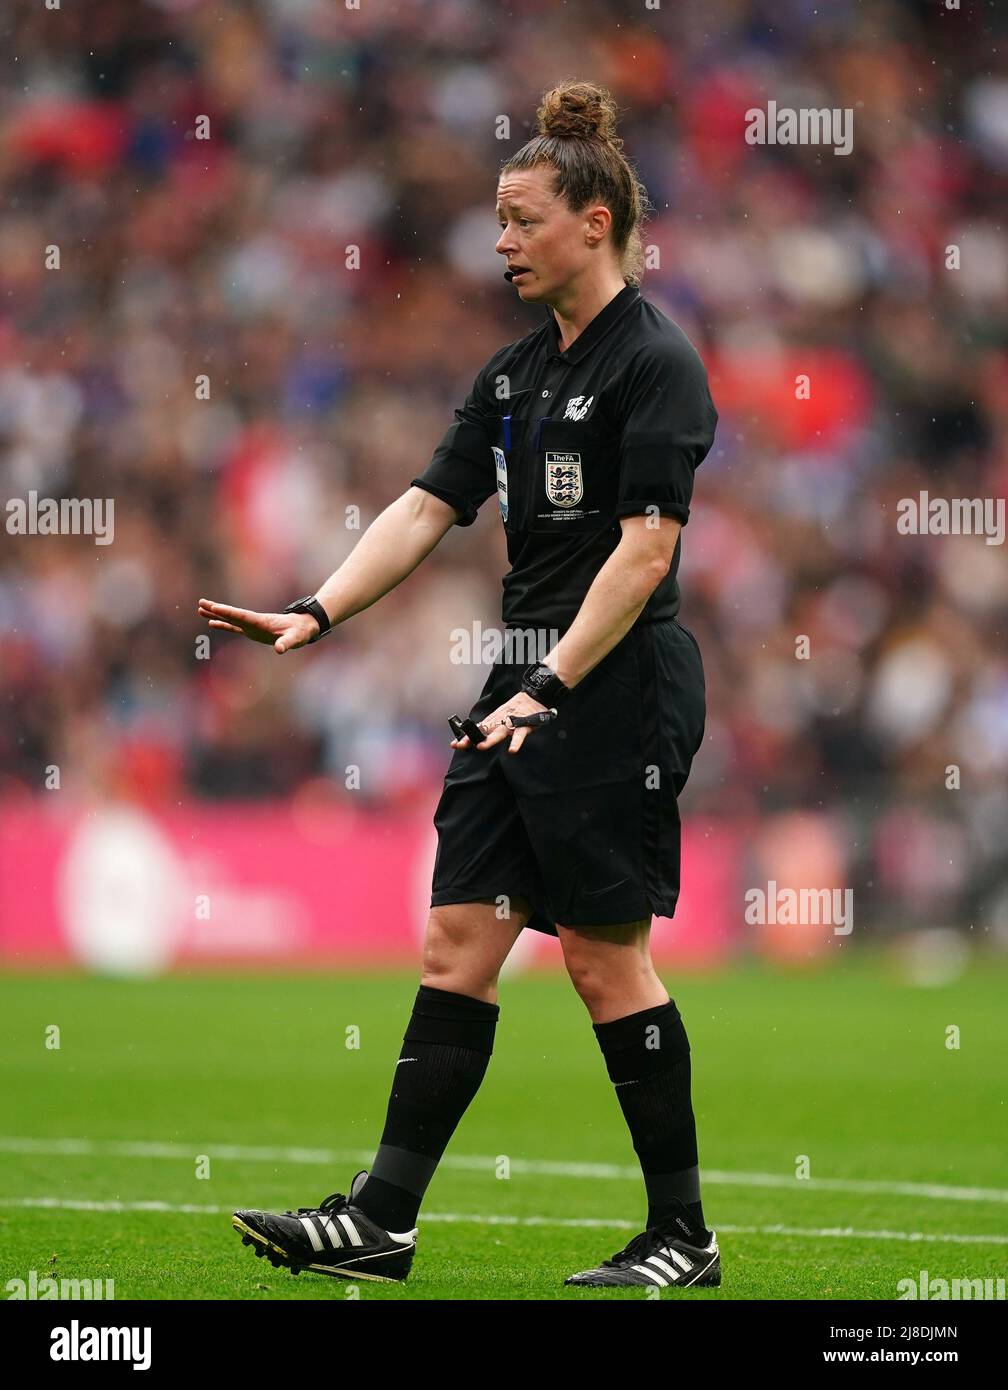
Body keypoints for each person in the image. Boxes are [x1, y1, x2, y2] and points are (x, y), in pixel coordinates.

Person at [198, 79, 719, 1291]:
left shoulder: (659, 365)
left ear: (593, 220)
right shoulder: (514, 373)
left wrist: (551, 682)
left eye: (521, 219)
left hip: (614, 679)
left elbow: (646, 553)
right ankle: (383, 1219)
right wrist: (320, 605)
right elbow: (430, 503)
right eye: (499, 219)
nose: (500, 242)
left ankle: (682, 1236)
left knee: (601, 958)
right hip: (518, 676)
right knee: (455, 941)